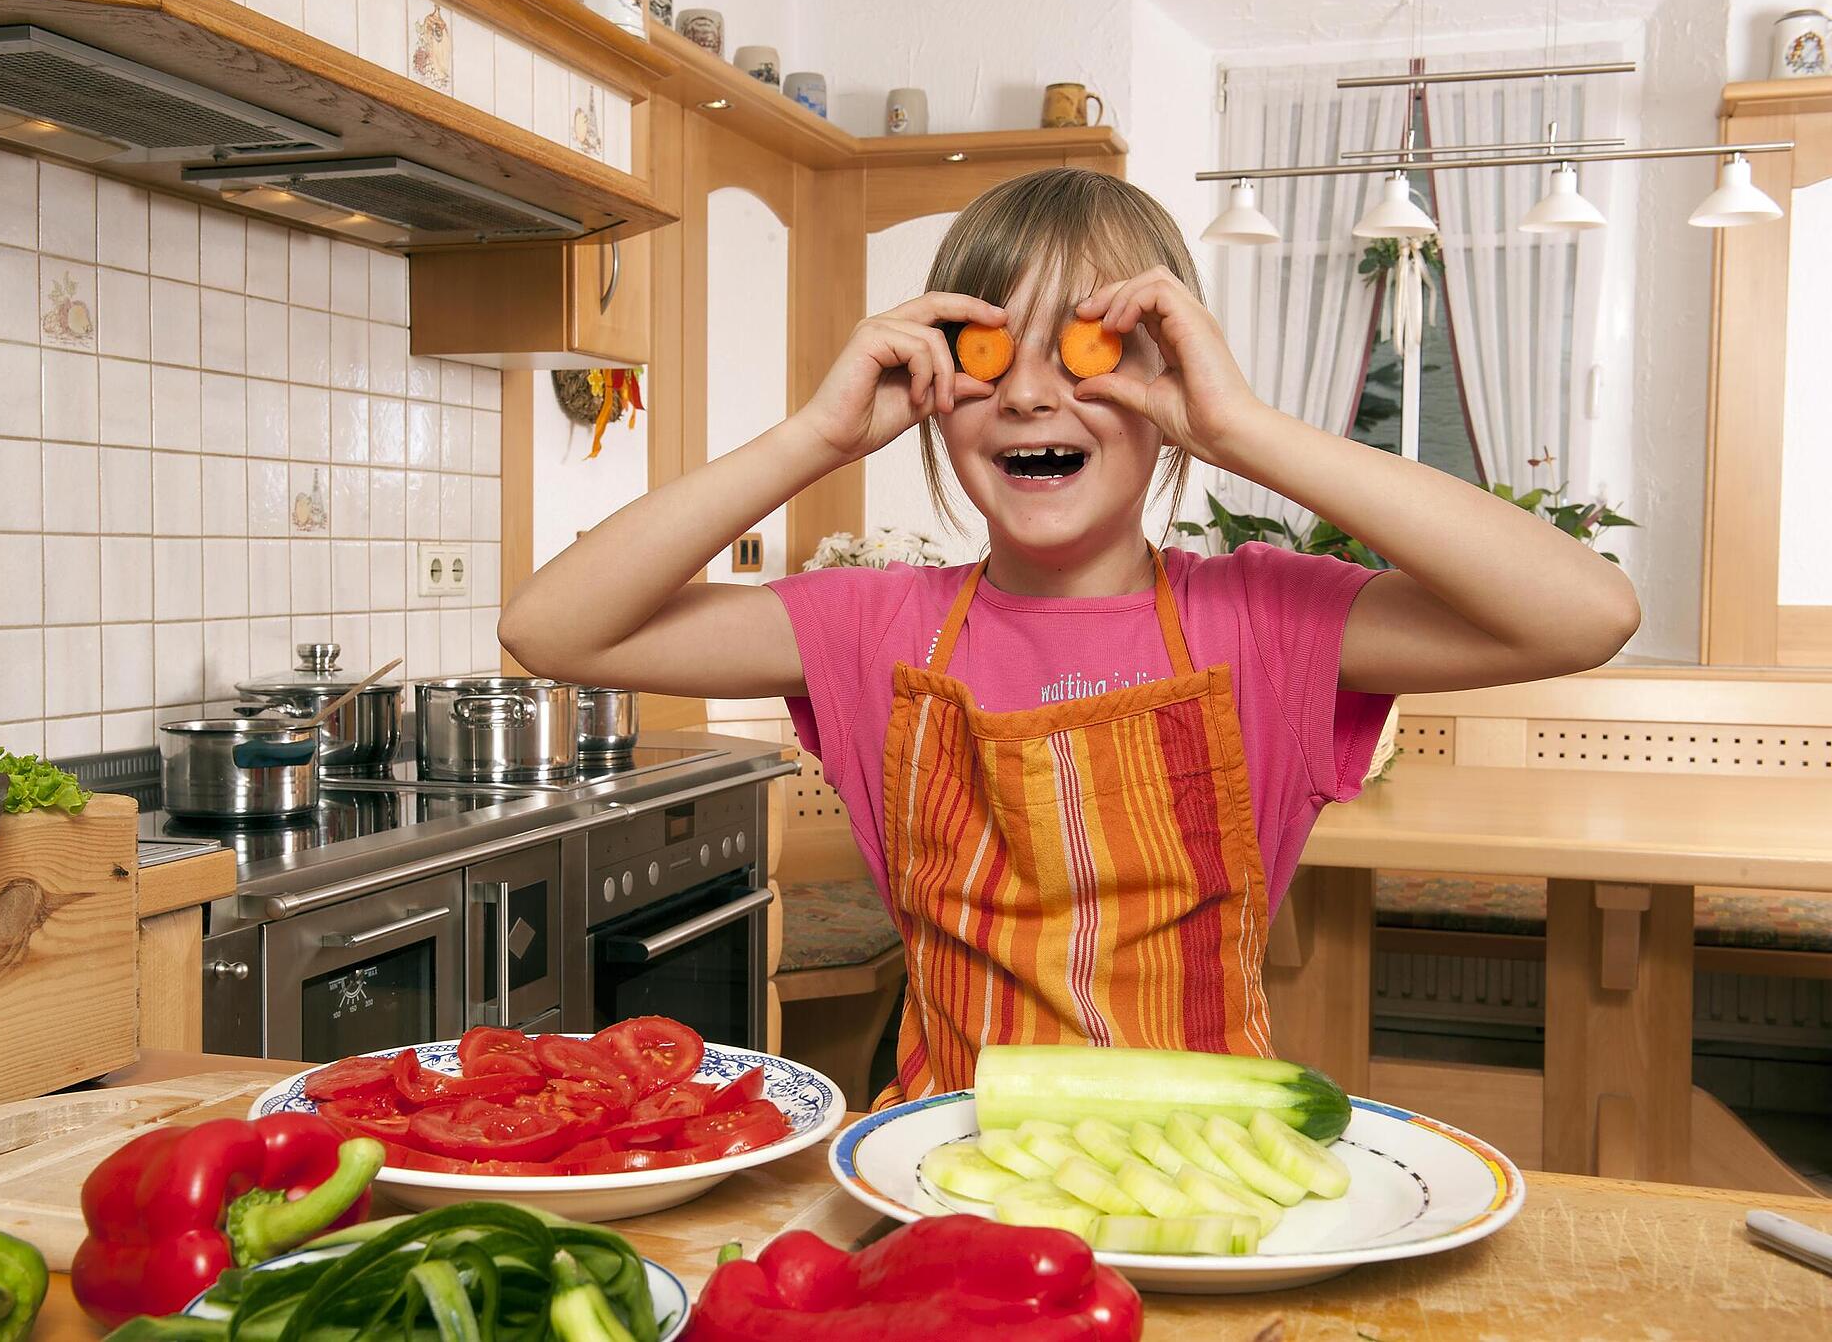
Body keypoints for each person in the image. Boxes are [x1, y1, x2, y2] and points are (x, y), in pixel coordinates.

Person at [501, 168, 1639, 1108]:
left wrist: (1243, 429)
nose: (1032, 398)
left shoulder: (1264, 620)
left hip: (1204, 1175)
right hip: (941, 1164)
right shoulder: (871, 626)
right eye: (989, 357)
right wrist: (813, 436)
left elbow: (1585, 613)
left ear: (1169, 377)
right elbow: (550, 627)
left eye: (1090, 353)